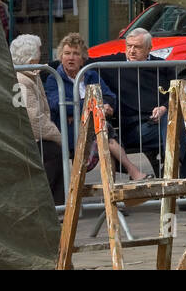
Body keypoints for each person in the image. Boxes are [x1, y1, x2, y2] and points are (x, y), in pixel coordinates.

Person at [44, 32, 147, 182]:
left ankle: (111, 196)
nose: (71, 58)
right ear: (61, 56)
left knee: (104, 139)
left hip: (94, 128)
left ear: (83, 58)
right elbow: (60, 105)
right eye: (67, 53)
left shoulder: (90, 75)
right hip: (69, 132)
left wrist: (91, 107)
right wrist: (95, 106)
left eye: (75, 54)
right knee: (104, 134)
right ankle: (131, 174)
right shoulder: (54, 79)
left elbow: (110, 97)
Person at [97, 28, 186, 178]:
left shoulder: (163, 66)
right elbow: (80, 62)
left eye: (137, 47)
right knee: (179, 133)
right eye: (129, 46)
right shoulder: (114, 64)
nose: (131, 51)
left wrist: (163, 107)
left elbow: (178, 94)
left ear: (149, 49)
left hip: (162, 123)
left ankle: (174, 171)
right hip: (134, 128)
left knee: (174, 124)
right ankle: (178, 176)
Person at [10, 34, 64, 204]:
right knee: (54, 153)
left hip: (30, 138)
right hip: (28, 140)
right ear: (32, 59)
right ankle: (51, 204)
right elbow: (33, 119)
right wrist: (58, 136)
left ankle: (57, 204)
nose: (42, 55)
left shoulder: (29, 75)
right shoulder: (22, 80)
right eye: (40, 51)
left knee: (54, 153)